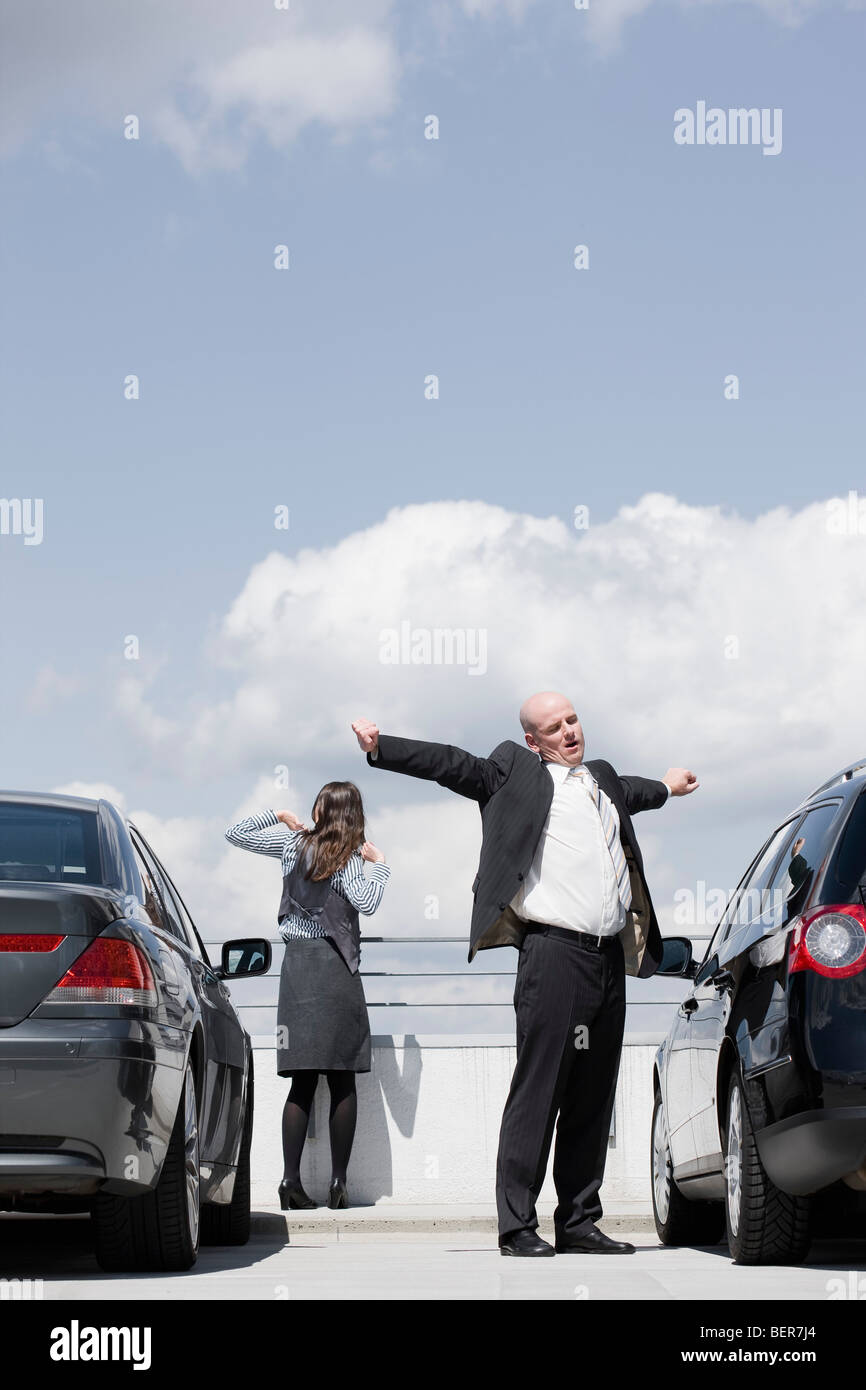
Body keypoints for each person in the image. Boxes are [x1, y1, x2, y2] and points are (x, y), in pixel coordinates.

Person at [352, 693, 697, 1256]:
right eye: (553, 727)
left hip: (608, 958)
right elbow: (450, 763)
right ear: (534, 741)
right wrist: (381, 748)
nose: (568, 732)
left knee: (593, 1095)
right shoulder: (515, 772)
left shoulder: (602, 780)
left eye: (572, 720)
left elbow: (639, 791)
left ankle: (579, 1220)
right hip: (552, 955)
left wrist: (668, 785)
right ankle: (516, 1225)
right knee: (538, 1090)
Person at [225, 782, 390, 1210]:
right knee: (342, 1079)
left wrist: (277, 815)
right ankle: (338, 1183)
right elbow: (368, 903)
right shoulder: (350, 858)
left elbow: (236, 833)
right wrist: (381, 865)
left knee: (301, 1082)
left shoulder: (291, 844)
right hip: (336, 969)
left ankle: (289, 1181)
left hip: (297, 969)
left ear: (320, 808)